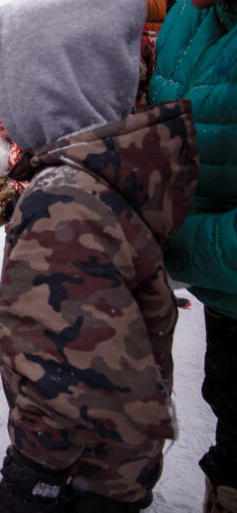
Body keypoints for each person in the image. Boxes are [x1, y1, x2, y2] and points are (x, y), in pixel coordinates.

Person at [0, 0, 199, 511]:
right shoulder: (104, 173)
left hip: (80, 477)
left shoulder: (60, 200)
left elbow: (66, 375)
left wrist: (35, 472)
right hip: (119, 463)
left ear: (36, 89)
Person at [149, 0, 237, 510]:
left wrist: (172, 244)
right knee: (226, 398)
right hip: (223, 296)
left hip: (203, 257)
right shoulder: (189, 14)